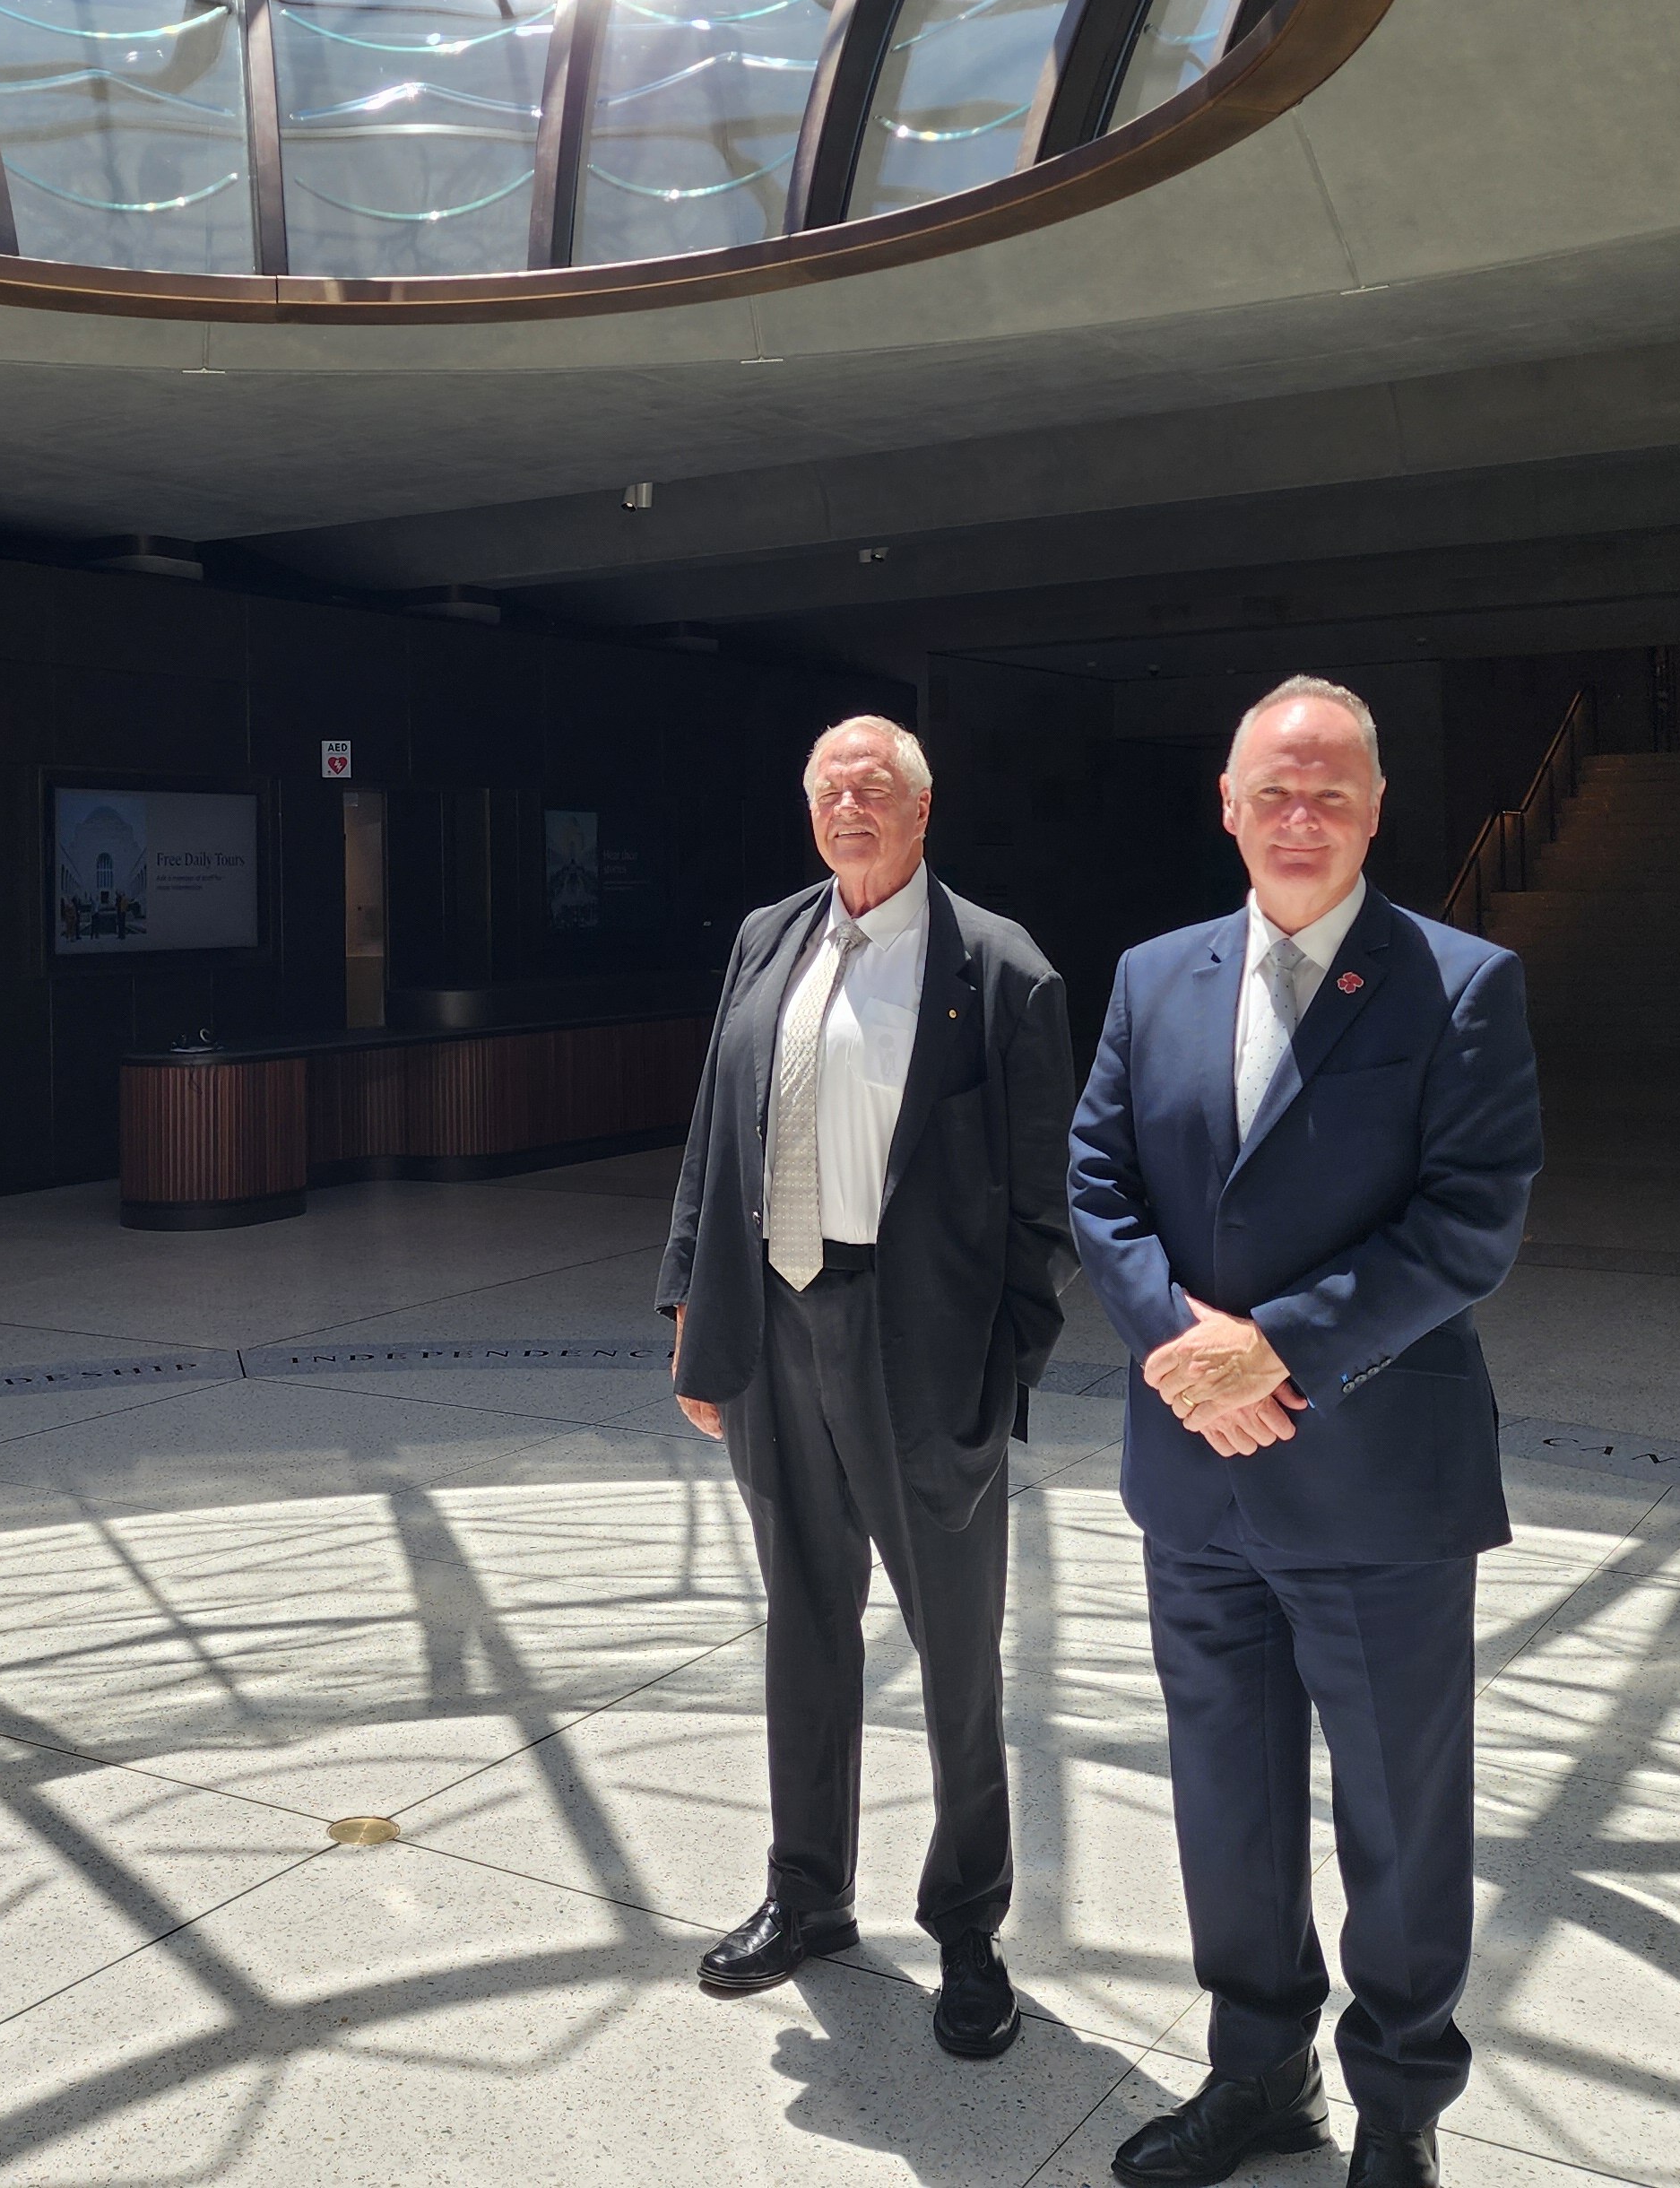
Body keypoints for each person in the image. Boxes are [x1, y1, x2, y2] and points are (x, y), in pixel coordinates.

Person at [1066, 676, 1540, 2188]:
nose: (1300, 817)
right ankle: (1258, 2072)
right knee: (1227, 1801)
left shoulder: (1459, 985)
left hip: (1378, 1488)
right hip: (1196, 1494)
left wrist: (1278, 1348)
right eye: (1273, 790)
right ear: (1227, 802)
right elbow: (1096, 1182)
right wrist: (1181, 1344)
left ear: (1378, 810)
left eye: (1330, 791)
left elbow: (1470, 1223)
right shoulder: (1152, 977)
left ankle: (1400, 2109)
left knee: (1403, 1821)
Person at [656, 714, 1078, 2060]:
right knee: (804, 1619)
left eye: (875, 790)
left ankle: (967, 1925)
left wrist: (999, 1357)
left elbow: (1042, 1203)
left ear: (921, 813)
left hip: (919, 1348)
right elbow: (712, 1140)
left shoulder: (1000, 970)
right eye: (832, 790)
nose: (851, 808)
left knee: (956, 1650)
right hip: (773, 1322)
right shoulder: (766, 937)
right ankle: (807, 1895)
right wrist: (692, 1311)